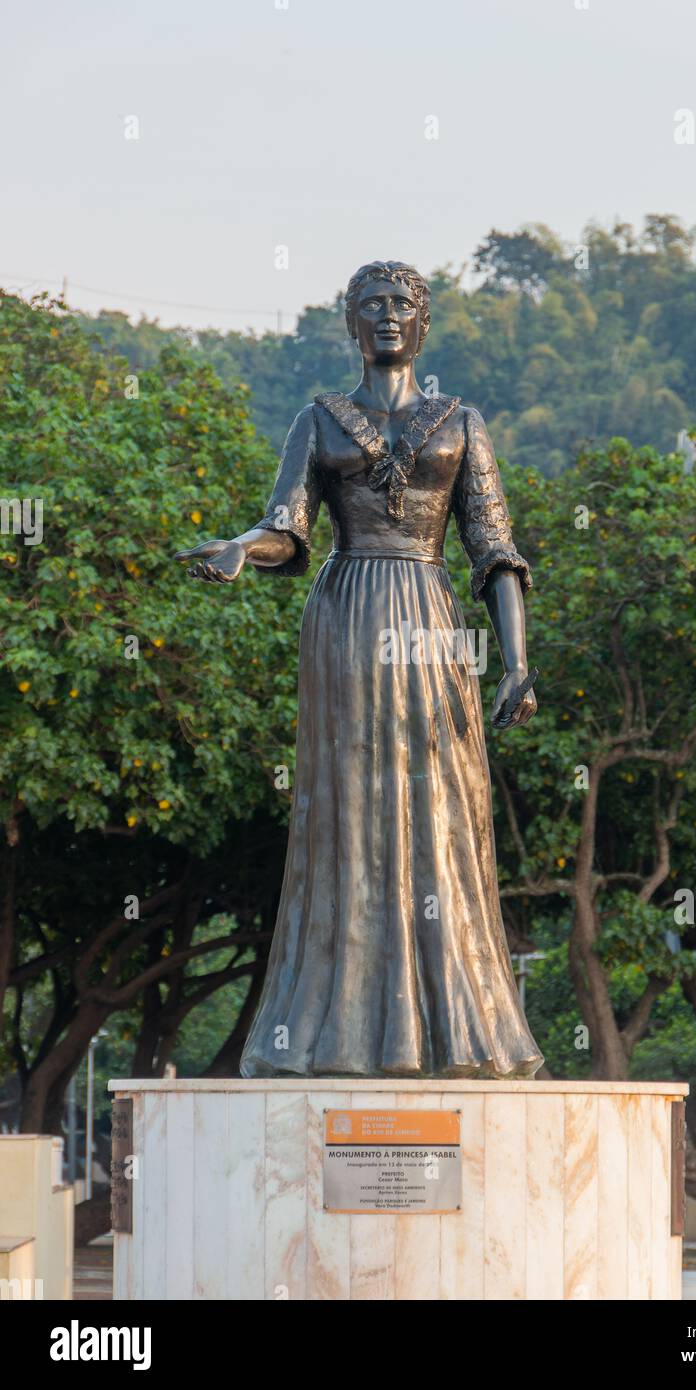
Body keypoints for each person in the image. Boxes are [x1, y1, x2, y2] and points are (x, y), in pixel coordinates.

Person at [177, 261, 543, 1079]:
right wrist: (241, 549)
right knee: (347, 807)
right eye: (371, 305)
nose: (387, 316)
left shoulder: (462, 421)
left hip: (432, 619)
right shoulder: (319, 420)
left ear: (423, 323)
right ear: (350, 324)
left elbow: (495, 549)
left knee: (441, 804)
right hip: (345, 617)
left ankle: (454, 1028)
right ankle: (336, 1026)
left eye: (402, 305)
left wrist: (516, 662)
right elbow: (287, 529)